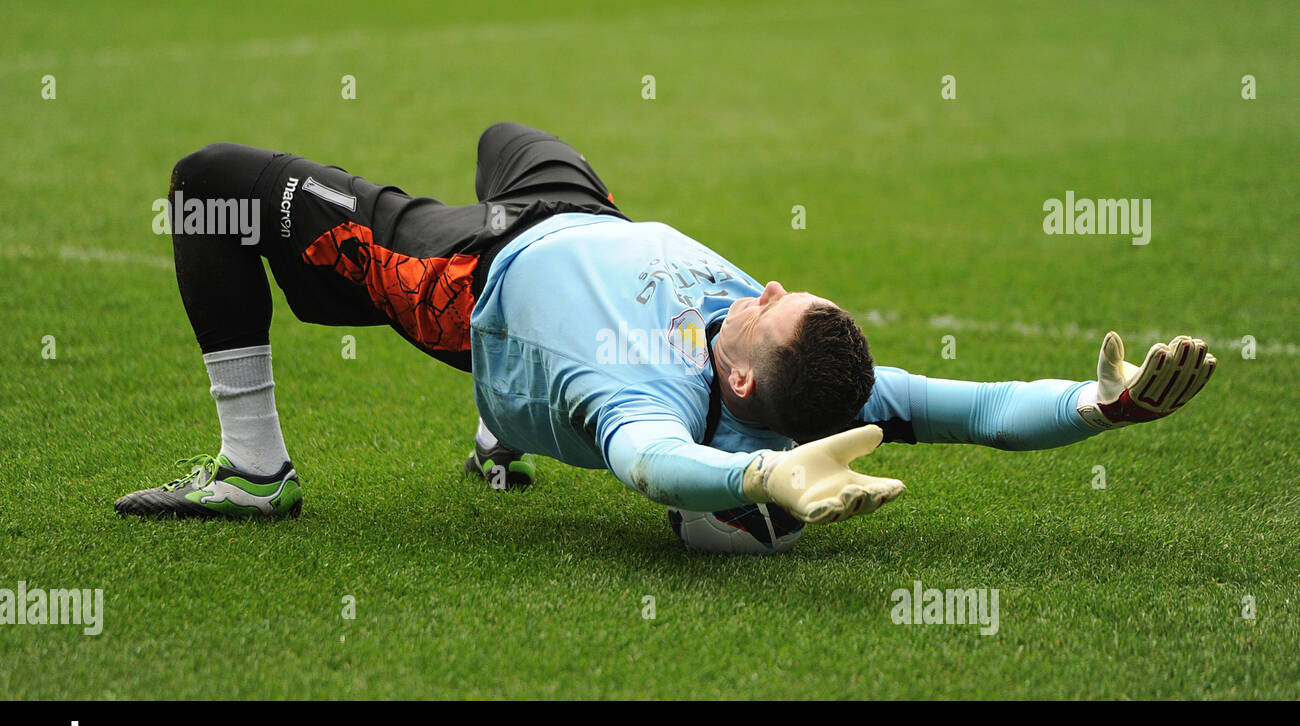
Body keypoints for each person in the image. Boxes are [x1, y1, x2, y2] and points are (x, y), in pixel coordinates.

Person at [114, 123, 1217, 524]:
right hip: (577, 208)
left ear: (738, 387)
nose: (770, 288)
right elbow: (979, 408)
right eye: (794, 295)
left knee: (209, 181)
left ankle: (254, 470)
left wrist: (750, 483)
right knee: (513, 129)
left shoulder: (639, 400)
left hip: (474, 265)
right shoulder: (835, 383)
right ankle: (512, 427)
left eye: (770, 312)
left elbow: (648, 465)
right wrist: (1104, 405)